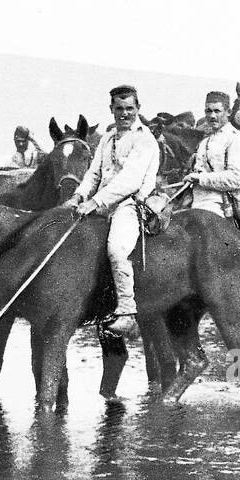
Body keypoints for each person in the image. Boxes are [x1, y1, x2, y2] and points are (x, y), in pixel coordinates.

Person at [67, 84, 160, 341]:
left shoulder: (144, 139)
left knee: (117, 250)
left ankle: (128, 311)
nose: (124, 113)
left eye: (130, 108)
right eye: (119, 109)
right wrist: (78, 196)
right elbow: (94, 173)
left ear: (138, 108)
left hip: (130, 203)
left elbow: (129, 181)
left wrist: (94, 202)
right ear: (111, 109)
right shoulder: (107, 138)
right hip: (102, 202)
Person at [180, 91, 240, 217]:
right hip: (195, 201)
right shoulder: (205, 141)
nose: (212, 116)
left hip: (220, 205)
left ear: (228, 112)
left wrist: (199, 178)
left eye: (217, 111)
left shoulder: (236, 139)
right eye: (208, 111)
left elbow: (236, 178)